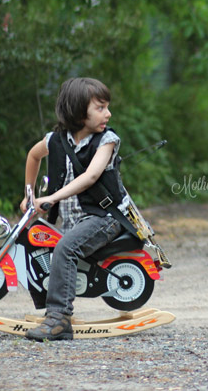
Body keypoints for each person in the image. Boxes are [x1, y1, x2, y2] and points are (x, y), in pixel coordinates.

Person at [21, 77, 135, 341]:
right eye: (100, 107)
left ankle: (59, 319)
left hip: (105, 217)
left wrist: (51, 197)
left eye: (107, 107)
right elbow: (33, 155)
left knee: (66, 248)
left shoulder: (107, 140)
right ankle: (51, 305)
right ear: (77, 110)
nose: (108, 113)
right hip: (75, 220)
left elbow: (91, 177)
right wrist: (28, 194)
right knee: (37, 240)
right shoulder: (56, 141)